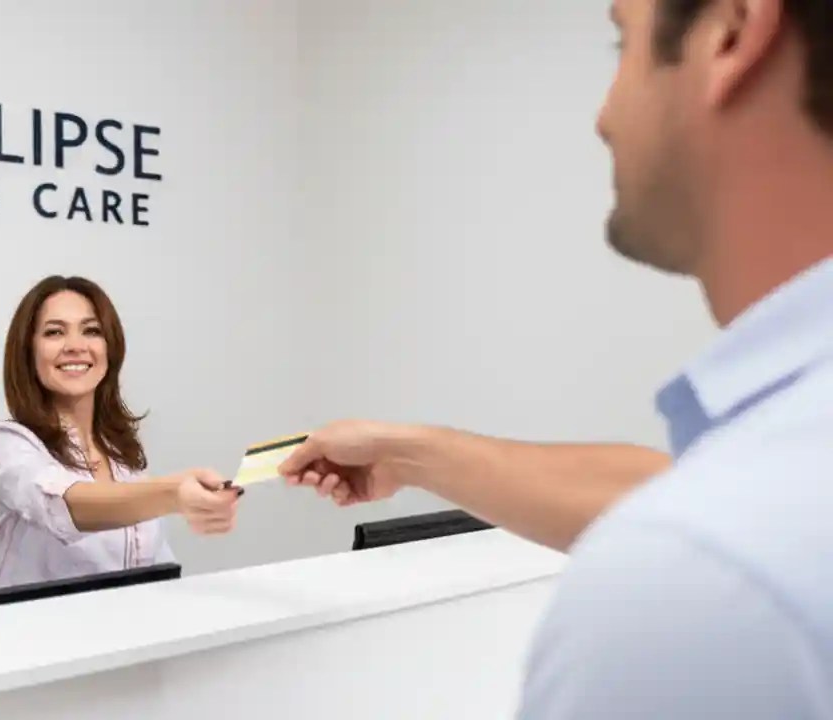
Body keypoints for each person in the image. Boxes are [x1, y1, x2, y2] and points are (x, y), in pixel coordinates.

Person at [281, 0, 833, 716]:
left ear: (731, 35)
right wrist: (407, 454)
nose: (602, 116)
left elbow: (702, 530)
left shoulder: (693, 590)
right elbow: (678, 493)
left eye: (621, 45)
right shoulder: (772, 490)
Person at [0, 275, 241, 588]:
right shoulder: (3, 445)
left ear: (109, 348)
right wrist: (174, 493)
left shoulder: (123, 457)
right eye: (54, 332)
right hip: (40, 633)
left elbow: (159, 573)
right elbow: (67, 505)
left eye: (92, 331)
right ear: (28, 351)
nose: (75, 346)